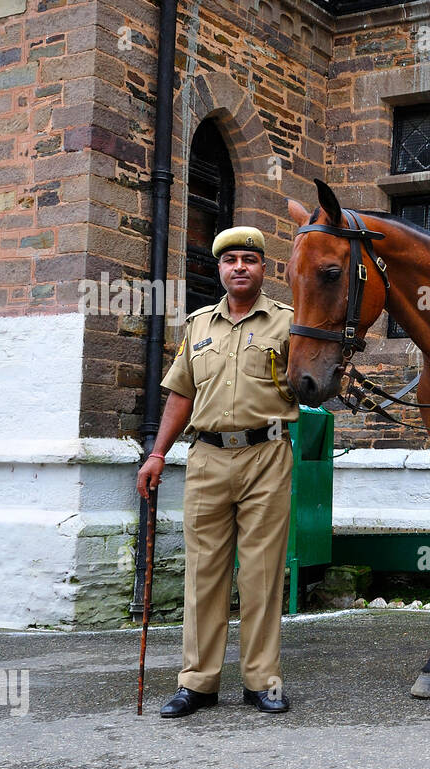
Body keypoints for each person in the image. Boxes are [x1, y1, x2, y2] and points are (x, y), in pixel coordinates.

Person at [136, 226, 299, 717]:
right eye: (231, 261)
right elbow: (181, 395)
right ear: (220, 269)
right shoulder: (198, 326)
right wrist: (157, 453)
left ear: (264, 268)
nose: (240, 267)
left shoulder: (289, 323)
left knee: (262, 573)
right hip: (206, 458)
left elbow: (315, 380)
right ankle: (198, 682)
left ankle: (261, 681)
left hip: (266, 455)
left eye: (250, 259)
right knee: (203, 572)